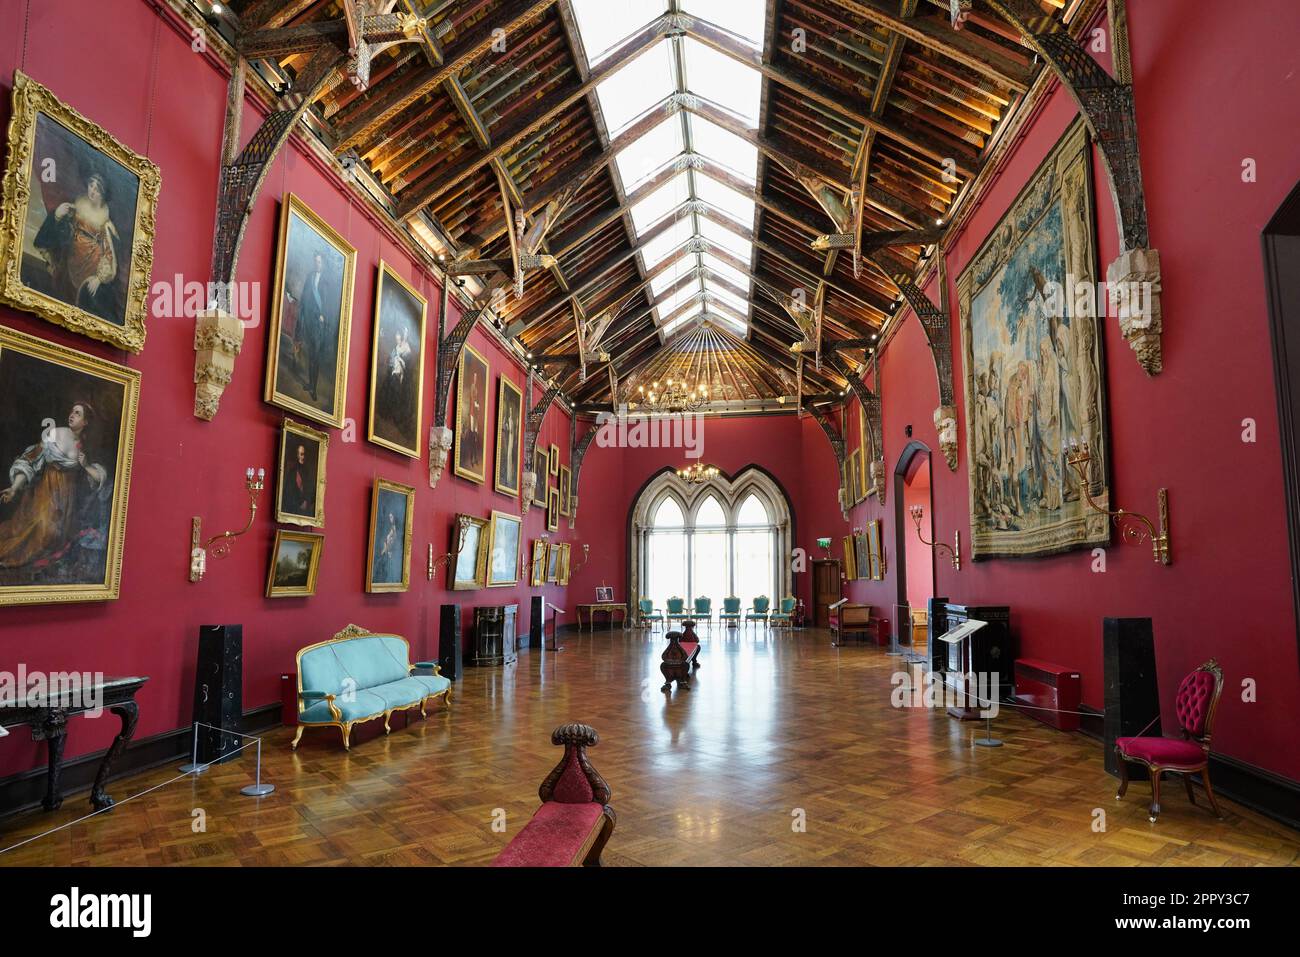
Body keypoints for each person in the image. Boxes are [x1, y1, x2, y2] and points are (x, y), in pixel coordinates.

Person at [0, 403, 108, 573]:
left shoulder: (85, 446)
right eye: (72, 411)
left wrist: (85, 466)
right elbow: (31, 460)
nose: (72, 415)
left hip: (66, 498)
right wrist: (14, 488)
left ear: (85, 422)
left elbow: (99, 476)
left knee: (56, 537)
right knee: (39, 531)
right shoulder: (55, 433)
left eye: (78, 414)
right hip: (45, 491)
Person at [32, 172, 120, 321]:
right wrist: (58, 215)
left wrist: (99, 278)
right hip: (70, 255)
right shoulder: (79, 203)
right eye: (90, 185)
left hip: (90, 261)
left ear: (103, 193)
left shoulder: (106, 222)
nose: (91, 191)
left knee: (81, 301)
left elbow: (109, 252)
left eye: (97, 189)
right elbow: (66, 226)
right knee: (62, 292)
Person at [292, 251, 328, 401]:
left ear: (323, 263)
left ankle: (313, 387)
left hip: (320, 324)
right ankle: (310, 384)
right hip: (310, 321)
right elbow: (305, 296)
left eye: (319, 262)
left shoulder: (327, 281)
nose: (317, 264)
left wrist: (323, 315)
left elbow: (329, 303)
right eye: (315, 262)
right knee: (311, 353)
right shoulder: (310, 277)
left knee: (316, 356)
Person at [282, 443, 315, 517]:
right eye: (298, 454)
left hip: (307, 512)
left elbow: (312, 493)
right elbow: (287, 494)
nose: (300, 457)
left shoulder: (309, 473)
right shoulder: (292, 472)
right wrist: (300, 502)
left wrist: (307, 502)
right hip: (294, 510)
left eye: (302, 454)